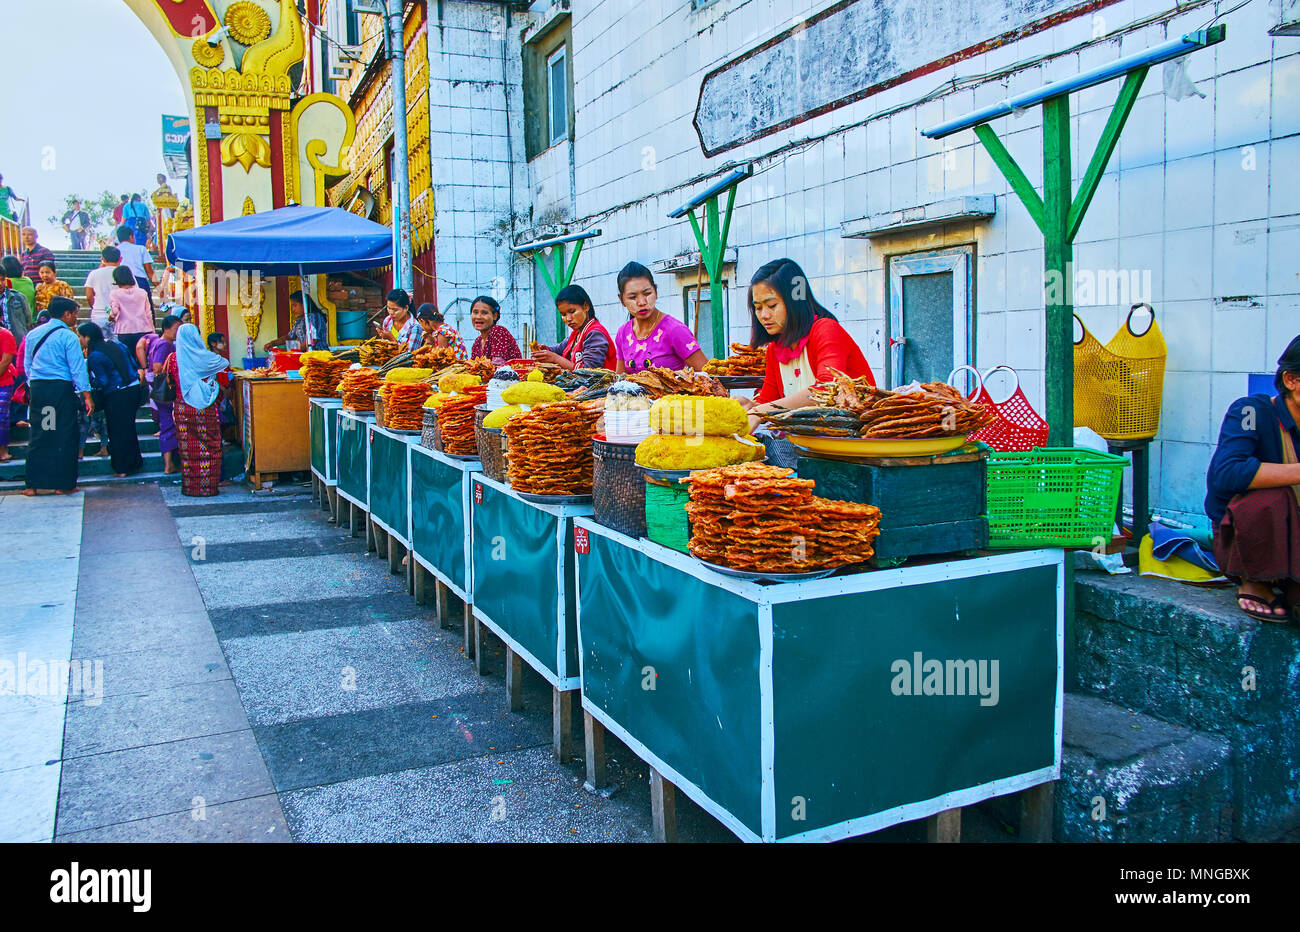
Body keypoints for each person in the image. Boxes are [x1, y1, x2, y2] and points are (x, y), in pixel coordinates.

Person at [1205, 334, 1300, 623]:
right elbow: (1227, 472)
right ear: (1292, 380)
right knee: (1271, 497)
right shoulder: (1250, 410)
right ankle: (1254, 579)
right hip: (1246, 539)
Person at [741, 257, 876, 429]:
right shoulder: (775, 348)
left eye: (772, 305)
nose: (764, 315)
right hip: (808, 444)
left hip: (853, 441)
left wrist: (760, 411)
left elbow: (826, 390)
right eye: (758, 308)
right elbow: (769, 399)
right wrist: (750, 406)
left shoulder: (826, 330)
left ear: (795, 301)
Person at [21, 297, 92, 495]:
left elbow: (28, 365)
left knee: (42, 431)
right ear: (66, 314)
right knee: (64, 433)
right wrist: (87, 395)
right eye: (75, 313)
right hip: (60, 390)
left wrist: (35, 384)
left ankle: (33, 484)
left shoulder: (33, 334)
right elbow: (77, 368)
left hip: (39, 389)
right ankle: (63, 484)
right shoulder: (68, 337)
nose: (76, 317)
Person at [612, 262, 706, 374]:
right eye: (633, 297)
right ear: (621, 299)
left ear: (656, 292)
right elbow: (620, 380)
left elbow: (709, 376)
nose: (642, 302)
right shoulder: (623, 333)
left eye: (647, 293)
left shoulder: (675, 330)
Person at [166, 323, 227, 496]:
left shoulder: (172, 358)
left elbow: (169, 379)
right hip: (204, 407)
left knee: (187, 450)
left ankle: (190, 488)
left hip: (182, 407)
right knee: (211, 446)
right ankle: (208, 488)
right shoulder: (205, 357)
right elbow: (224, 362)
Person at [77, 323, 143, 477]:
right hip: (133, 389)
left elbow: (103, 381)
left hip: (117, 394)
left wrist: (88, 385)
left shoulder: (95, 356)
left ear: (88, 337)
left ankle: (123, 468)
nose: (79, 339)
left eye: (80, 336)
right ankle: (134, 463)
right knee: (128, 428)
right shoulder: (116, 344)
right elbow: (133, 365)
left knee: (117, 430)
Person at [531, 284, 616, 370]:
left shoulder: (595, 334)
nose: (568, 319)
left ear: (586, 306)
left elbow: (589, 370)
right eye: (563, 314)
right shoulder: (576, 334)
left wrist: (555, 358)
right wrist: (545, 350)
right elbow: (558, 349)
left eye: (572, 311)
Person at [145, 314, 182, 474]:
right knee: (169, 425)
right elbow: (157, 367)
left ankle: (170, 463)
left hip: (161, 391)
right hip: (166, 391)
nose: (177, 332)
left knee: (168, 425)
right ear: (166, 329)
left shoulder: (158, 343)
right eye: (176, 329)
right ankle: (169, 464)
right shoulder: (164, 344)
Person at [109, 264, 154, 360]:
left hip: (124, 330)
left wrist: (111, 317)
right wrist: (152, 330)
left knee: (128, 359)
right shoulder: (142, 292)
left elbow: (115, 311)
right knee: (142, 358)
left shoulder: (115, 293)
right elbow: (148, 313)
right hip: (143, 329)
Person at [114, 224, 156, 314]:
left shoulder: (114, 250)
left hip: (121, 284)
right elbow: (149, 271)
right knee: (146, 311)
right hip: (140, 282)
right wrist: (159, 287)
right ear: (131, 237)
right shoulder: (141, 249)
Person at [468, 295, 521, 365]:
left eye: (484, 313)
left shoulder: (498, 331)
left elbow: (497, 363)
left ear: (494, 316)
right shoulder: (477, 342)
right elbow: (472, 366)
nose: (478, 316)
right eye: (475, 312)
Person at [84, 246, 122, 340]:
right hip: (120, 315)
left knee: (100, 344)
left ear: (103, 259)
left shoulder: (94, 274)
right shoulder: (124, 273)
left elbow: (89, 296)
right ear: (120, 259)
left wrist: (95, 306)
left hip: (99, 314)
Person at [2, 260, 32, 344]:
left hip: (16, 340)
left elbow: (28, 319)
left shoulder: (18, 297)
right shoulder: (28, 280)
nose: (0, 283)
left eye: (2, 279)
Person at [0, 323, 15, 461]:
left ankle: (2, 451)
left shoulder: (5, 335)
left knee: (1, 416)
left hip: (3, 381)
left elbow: (6, 360)